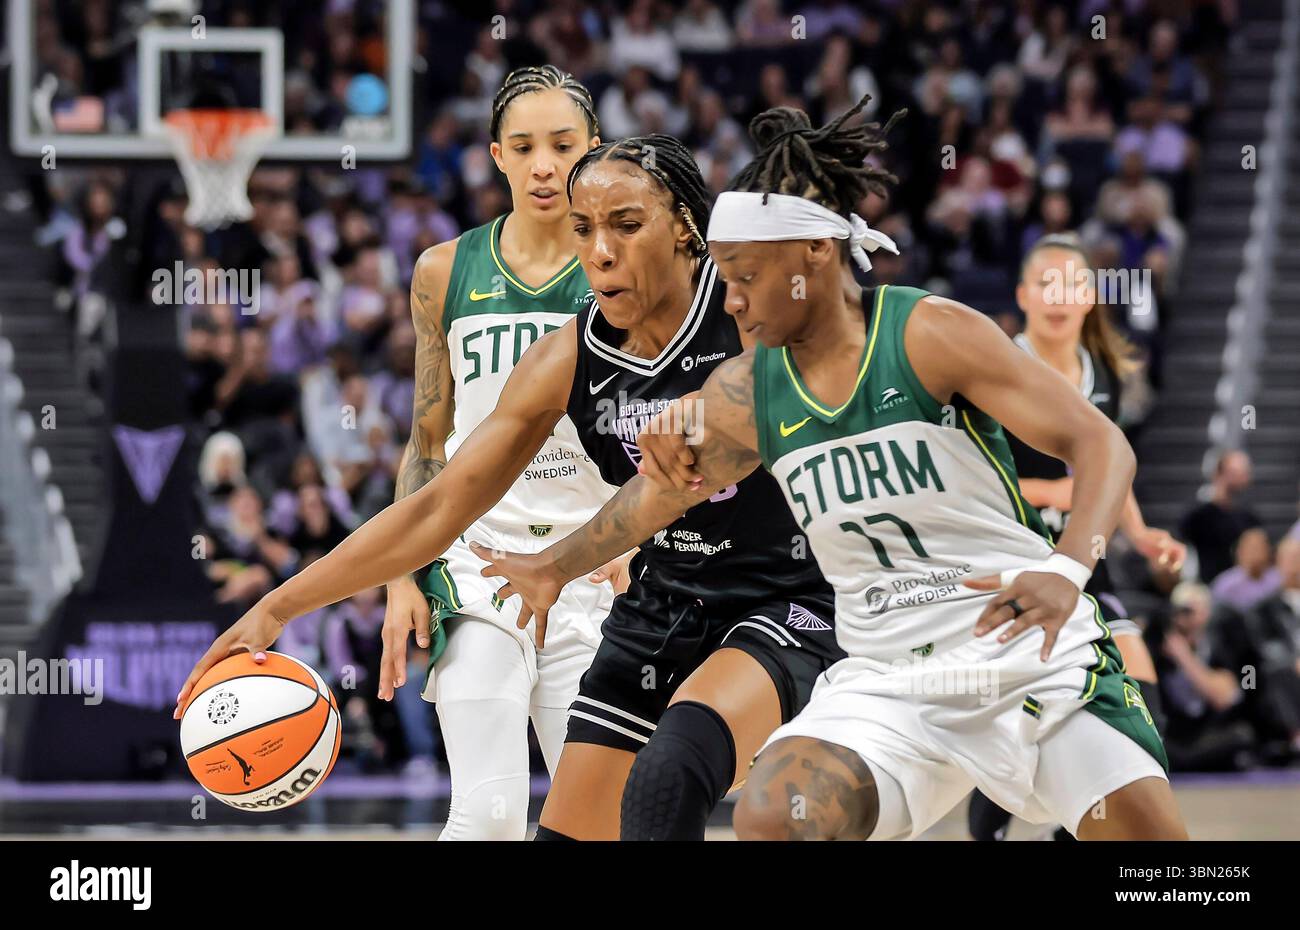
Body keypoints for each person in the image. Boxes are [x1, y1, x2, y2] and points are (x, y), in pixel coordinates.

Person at [481, 98, 1187, 840]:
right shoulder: (746, 386)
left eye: (748, 274)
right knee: (776, 812)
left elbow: (1102, 443)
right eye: (725, 274)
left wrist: (1071, 569)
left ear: (814, 253)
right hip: (887, 681)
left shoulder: (927, 331)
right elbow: (650, 501)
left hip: (1022, 650)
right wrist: (556, 563)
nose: (733, 297)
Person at [176, 132, 843, 841]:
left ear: (685, 227)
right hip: (663, 606)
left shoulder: (747, 318)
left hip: (790, 594)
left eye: (626, 224)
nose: (600, 252)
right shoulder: (567, 357)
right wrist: (277, 608)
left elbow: (683, 485)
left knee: (671, 770)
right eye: (583, 229)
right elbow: (437, 506)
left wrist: (557, 565)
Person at [968, 232, 1185, 841]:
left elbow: (1111, 465)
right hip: (1012, 565)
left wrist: (1140, 535)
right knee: (1015, 727)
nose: (1058, 295)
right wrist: (1052, 495)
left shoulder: (1105, 374)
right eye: (1045, 282)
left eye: (1071, 283)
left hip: (1085, 567)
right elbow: (963, 475)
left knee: (1142, 699)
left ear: (1090, 298)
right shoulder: (986, 364)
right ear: (1022, 295)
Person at [1180, 449, 1261, 583]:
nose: (1244, 478)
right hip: (1207, 584)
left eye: (1245, 473)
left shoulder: (1249, 518)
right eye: (1235, 473)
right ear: (1219, 474)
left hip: (1242, 587)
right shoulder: (1199, 516)